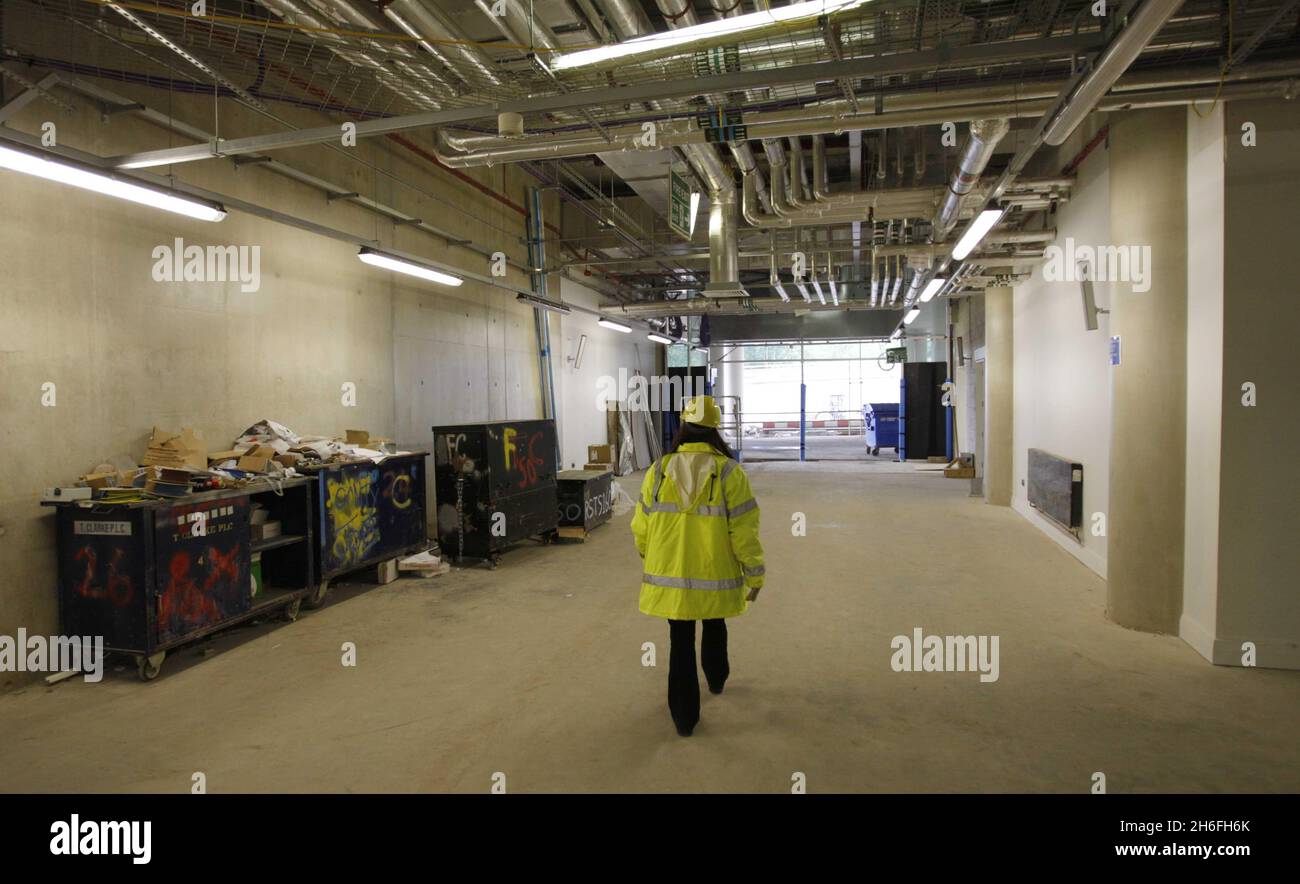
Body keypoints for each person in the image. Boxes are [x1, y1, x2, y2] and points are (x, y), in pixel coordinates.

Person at [631, 395, 765, 737]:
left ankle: (684, 719)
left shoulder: (658, 470)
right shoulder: (729, 472)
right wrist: (755, 573)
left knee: (680, 640)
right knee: (715, 621)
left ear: (683, 428)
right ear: (715, 431)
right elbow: (744, 531)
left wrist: (650, 555)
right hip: (715, 573)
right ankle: (717, 679)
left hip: (671, 576)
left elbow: (641, 525)